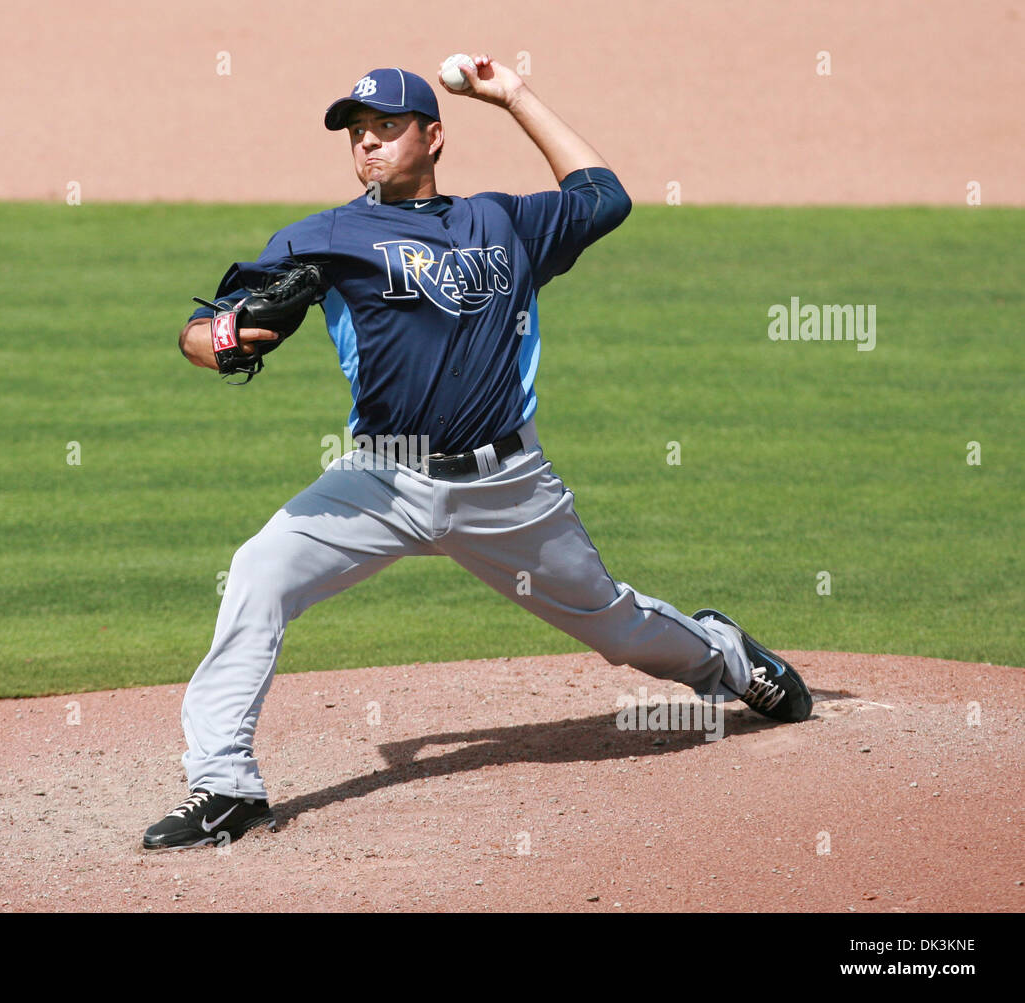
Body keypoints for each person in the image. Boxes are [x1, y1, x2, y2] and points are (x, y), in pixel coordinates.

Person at [144, 57, 811, 852]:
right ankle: (226, 786)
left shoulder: (503, 222)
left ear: (433, 137)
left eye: (386, 128)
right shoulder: (327, 236)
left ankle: (727, 658)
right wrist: (219, 339)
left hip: (508, 487)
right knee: (258, 571)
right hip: (381, 481)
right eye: (357, 134)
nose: (368, 146)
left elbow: (605, 197)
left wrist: (515, 96)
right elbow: (206, 327)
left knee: (617, 629)